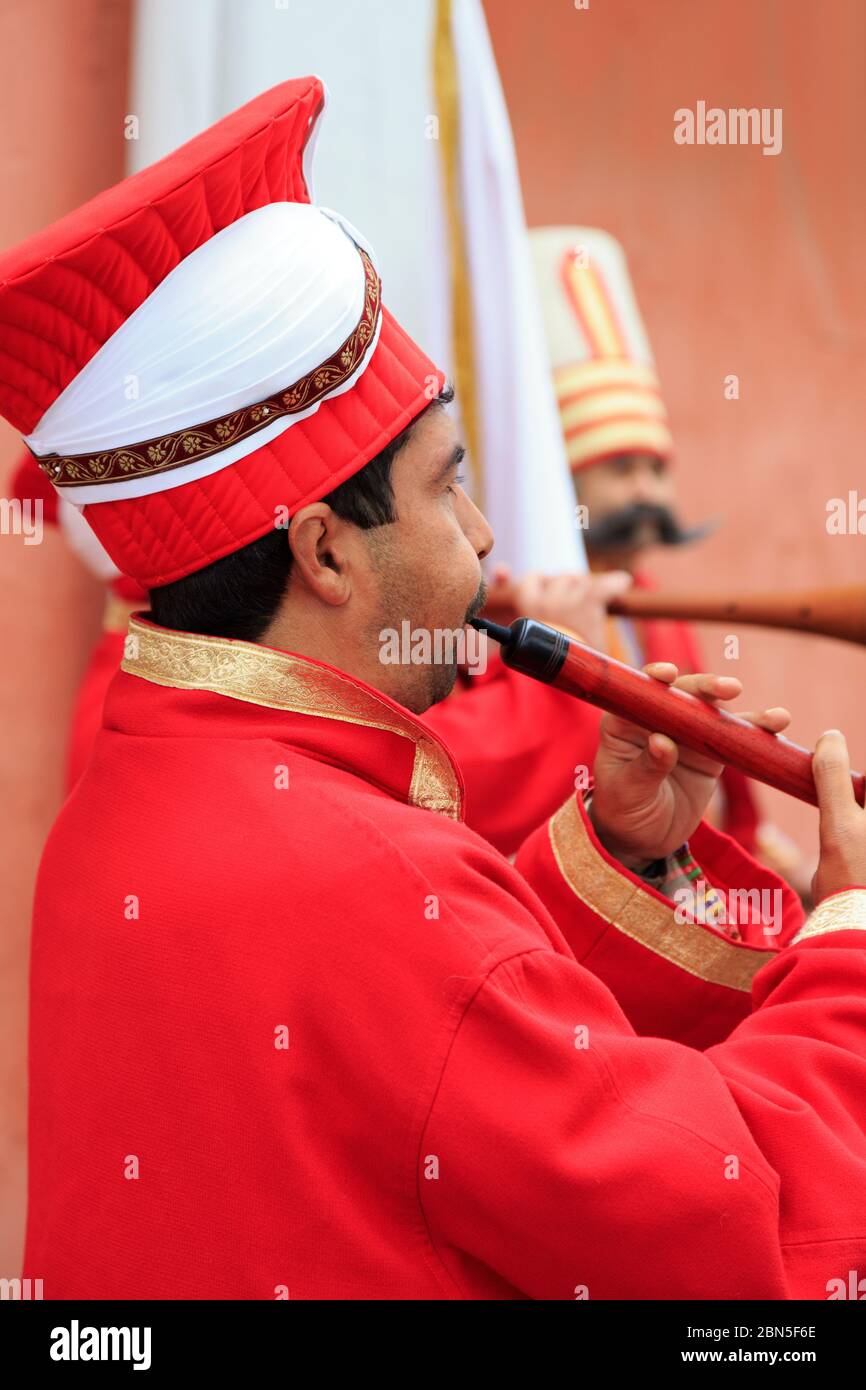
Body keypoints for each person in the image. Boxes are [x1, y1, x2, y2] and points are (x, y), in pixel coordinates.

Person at [4, 80, 866, 1300]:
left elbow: (422, 1050)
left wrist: (621, 855)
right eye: (447, 487)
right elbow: (724, 1217)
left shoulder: (126, 793)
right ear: (324, 552)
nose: (480, 535)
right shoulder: (361, 869)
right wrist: (844, 947)